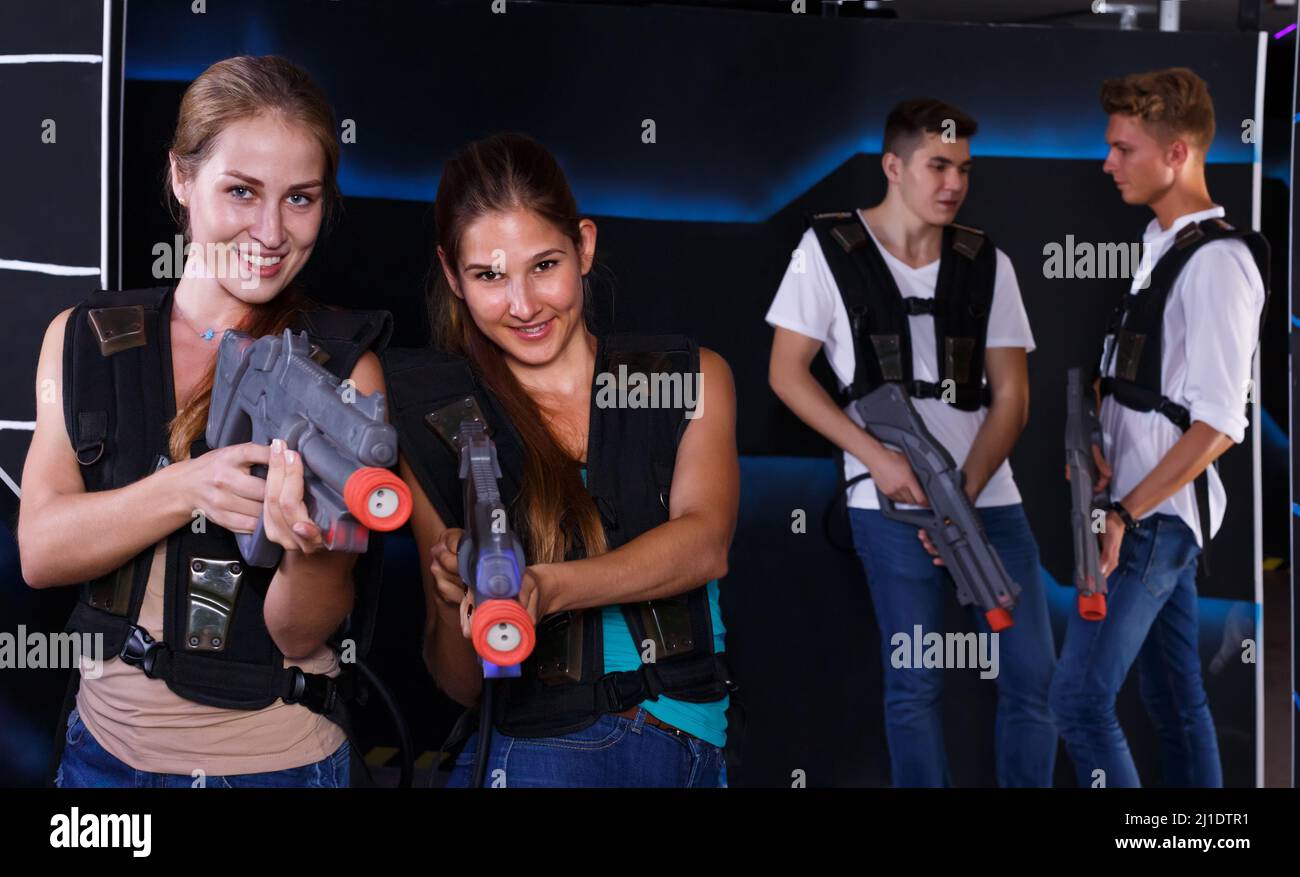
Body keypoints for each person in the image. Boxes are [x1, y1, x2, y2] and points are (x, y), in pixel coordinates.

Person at [18, 55, 392, 788]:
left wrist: (312, 544)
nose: (272, 230)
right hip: (100, 759)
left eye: (301, 198)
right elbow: (40, 548)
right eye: (242, 191)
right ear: (182, 179)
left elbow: (300, 630)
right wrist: (192, 486)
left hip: (273, 766)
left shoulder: (345, 371)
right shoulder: (84, 335)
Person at [382, 132, 738, 787]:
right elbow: (463, 684)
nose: (523, 305)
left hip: (690, 749)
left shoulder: (691, 376)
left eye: (544, 265)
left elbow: (704, 542)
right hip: (537, 752)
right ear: (453, 275)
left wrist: (545, 588)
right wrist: (463, 599)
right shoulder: (437, 414)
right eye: (489, 275)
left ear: (586, 245)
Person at [766, 98, 1056, 787]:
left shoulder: (987, 261)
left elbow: (1012, 398)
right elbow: (785, 373)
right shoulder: (827, 250)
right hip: (887, 502)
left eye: (963, 168)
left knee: (1034, 676)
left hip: (991, 498)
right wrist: (878, 459)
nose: (953, 182)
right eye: (937, 165)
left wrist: (963, 491)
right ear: (894, 166)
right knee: (915, 681)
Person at [1049, 67, 1268, 788]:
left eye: (1124, 148)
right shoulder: (1162, 244)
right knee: (1173, 699)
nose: (1107, 163)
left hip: (1150, 520)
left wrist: (1123, 510)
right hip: (1143, 509)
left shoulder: (1218, 265)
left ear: (1177, 153)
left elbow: (1219, 426)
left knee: (1080, 700)